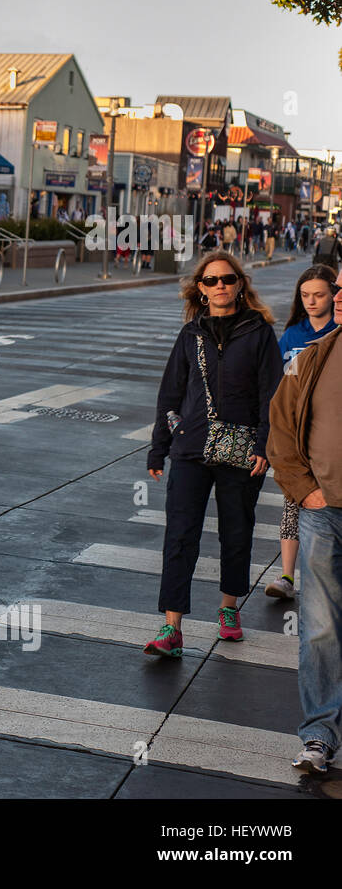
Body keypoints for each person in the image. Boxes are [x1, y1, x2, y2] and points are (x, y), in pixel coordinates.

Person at [144, 251, 281, 658]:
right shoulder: (191, 335)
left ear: (240, 284)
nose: (219, 285)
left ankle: (228, 609)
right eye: (211, 281)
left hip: (241, 451)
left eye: (227, 279)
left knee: (236, 531)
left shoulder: (259, 332)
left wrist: (264, 446)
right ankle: (172, 627)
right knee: (180, 535)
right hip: (191, 449)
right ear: (200, 290)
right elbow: (170, 393)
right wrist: (159, 447)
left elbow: (271, 396)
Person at [267, 275, 342, 774]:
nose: (338, 298)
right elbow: (280, 422)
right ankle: (319, 734)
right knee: (319, 627)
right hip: (323, 511)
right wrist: (304, 490)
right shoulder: (312, 356)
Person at [265, 265, 339, 601]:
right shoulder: (293, 334)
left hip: (328, 452)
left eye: (319, 294)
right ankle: (285, 575)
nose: (312, 301)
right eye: (305, 295)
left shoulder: (337, 331)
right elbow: (277, 387)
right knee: (293, 505)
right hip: (298, 441)